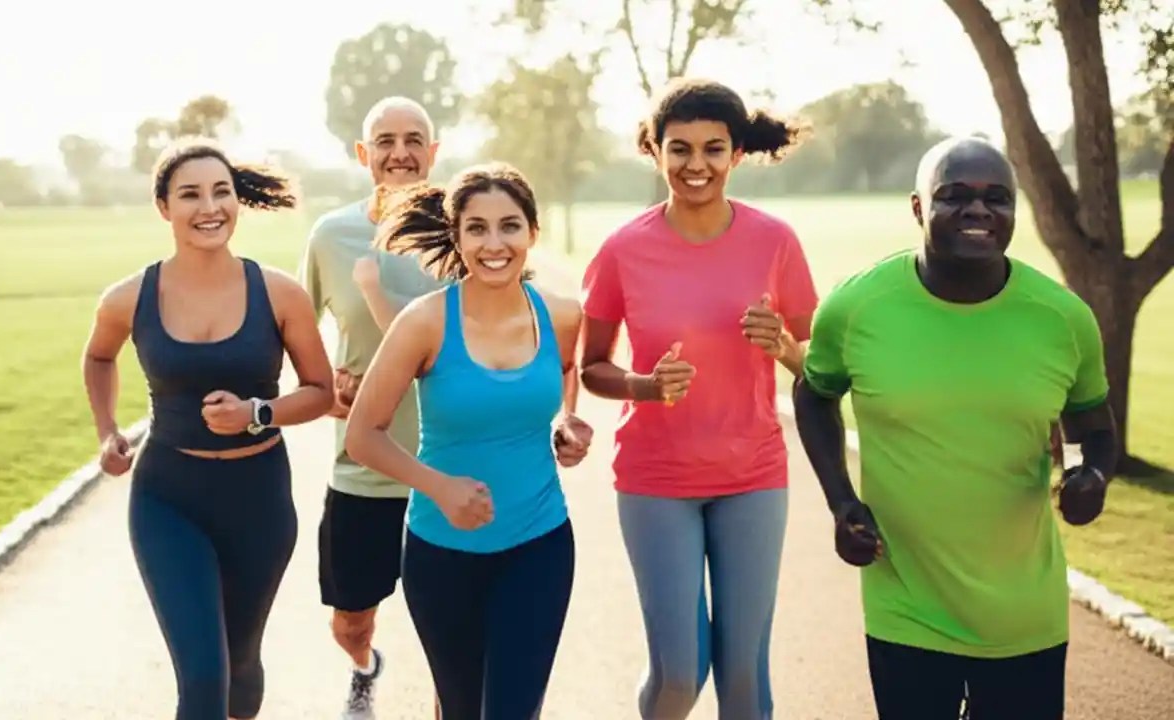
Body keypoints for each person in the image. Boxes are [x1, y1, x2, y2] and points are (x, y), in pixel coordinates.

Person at [792, 136, 1118, 720]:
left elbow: (1093, 422)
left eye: (997, 198)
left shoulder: (1063, 318)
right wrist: (842, 503)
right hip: (905, 604)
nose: (978, 210)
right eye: (954, 197)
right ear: (918, 208)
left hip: (1024, 613)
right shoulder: (857, 307)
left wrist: (1090, 472)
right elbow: (814, 397)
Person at [578, 77, 815, 720]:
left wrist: (786, 349)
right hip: (656, 480)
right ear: (654, 150)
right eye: (679, 149)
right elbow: (592, 366)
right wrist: (643, 387)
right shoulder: (624, 250)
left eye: (714, 149)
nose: (696, 165)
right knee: (680, 674)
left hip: (753, 475)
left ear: (737, 154)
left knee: (744, 677)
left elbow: (818, 360)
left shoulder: (775, 241)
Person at [81, 139, 335, 719]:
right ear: (163, 207)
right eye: (190, 194)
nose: (209, 206)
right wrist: (106, 430)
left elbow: (320, 392)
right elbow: (97, 358)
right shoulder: (128, 297)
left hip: (259, 501)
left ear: (237, 200)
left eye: (221, 191)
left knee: (240, 672)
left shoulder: (278, 294)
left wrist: (258, 413)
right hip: (168, 498)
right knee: (202, 679)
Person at [344, 162, 593, 720]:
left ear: (533, 231)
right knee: (460, 711)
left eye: (509, 225)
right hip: (442, 555)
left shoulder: (562, 316)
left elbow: (565, 378)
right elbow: (363, 435)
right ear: (456, 237)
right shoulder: (424, 322)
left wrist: (565, 423)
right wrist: (440, 488)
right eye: (476, 228)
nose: (494, 243)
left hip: (540, 543)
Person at [298, 96, 446, 719]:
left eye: (414, 139)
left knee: (456, 637)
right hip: (364, 473)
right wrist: (329, 394)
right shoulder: (332, 237)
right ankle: (365, 667)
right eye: (385, 140)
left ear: (434, 153)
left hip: (450, 471)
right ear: (363, 155)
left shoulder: (471, 231)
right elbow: (294, 343)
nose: (400, 152)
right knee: (350, 624)